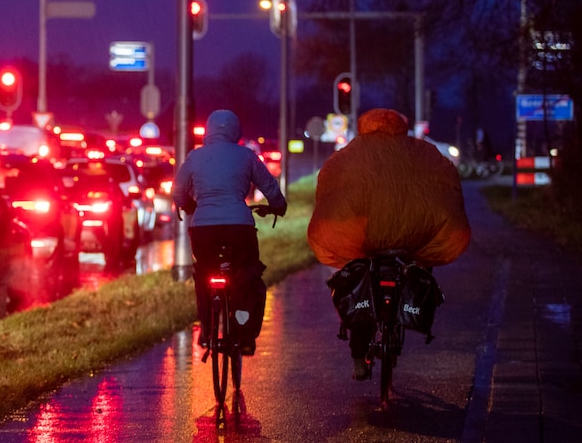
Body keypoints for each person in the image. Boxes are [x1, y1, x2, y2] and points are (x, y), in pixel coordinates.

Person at [307, 108, 471, 380]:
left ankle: (359, 358)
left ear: (366, 126)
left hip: (368, 237)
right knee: (420, 265)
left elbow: (329, 186)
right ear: (400, 126)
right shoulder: (421, 152)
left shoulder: (351, 154)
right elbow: (445, 181)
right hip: (410, 236)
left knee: (363, 292)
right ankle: (411, 309)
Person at [172, 109, 287, 355]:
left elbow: (178, 191)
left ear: (209, 131)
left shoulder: (195, 157)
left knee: (204, 273)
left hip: (203, 230)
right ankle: (244, 335)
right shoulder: (246, 156)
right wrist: (278, 205)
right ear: (236, 131)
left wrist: (190, 206)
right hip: (239, 228)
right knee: (246, 274)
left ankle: (206, 329)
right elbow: (269, 186)